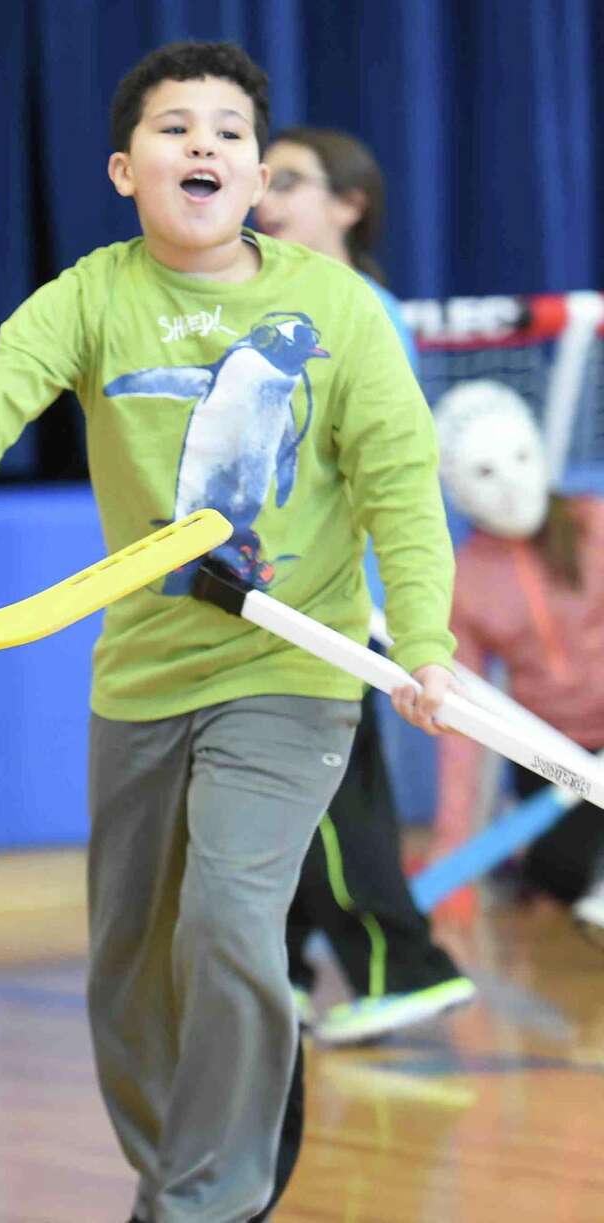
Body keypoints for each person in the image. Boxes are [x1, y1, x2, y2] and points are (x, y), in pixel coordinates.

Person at [0, 40, 456, 1223]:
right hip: (143, 676)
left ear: (259, 176)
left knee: (229, 915)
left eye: (228, 131)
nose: (203, 143)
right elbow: (16, 375)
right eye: (174, 127)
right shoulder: (96, 292)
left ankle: (207, 1195)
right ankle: (193, 1163)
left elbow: (403, 486)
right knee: (128, 974)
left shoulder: (338, 309)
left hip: (291, 668)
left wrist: (424, 641)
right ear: (121, 168)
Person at [255, 128, 475, 1045]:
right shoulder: (266, 301)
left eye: (292, 182)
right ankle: (287, 973)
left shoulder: (363, 311)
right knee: (279, 793)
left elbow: (384, 474)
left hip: (339, 597)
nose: (267, 197)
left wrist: (388, 605)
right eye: (263, 180)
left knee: (333, 791)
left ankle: (399, 966)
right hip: (272, 589)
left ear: (350, 203)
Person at [432, 381, 604, 940]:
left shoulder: (593, 524)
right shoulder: (463, 578)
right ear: (457, 488)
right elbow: (461, 720)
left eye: (521, 457)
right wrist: (452, 849)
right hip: (554, 760)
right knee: (564, 879)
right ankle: (532, 856)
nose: (510, 485)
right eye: (484, 472)